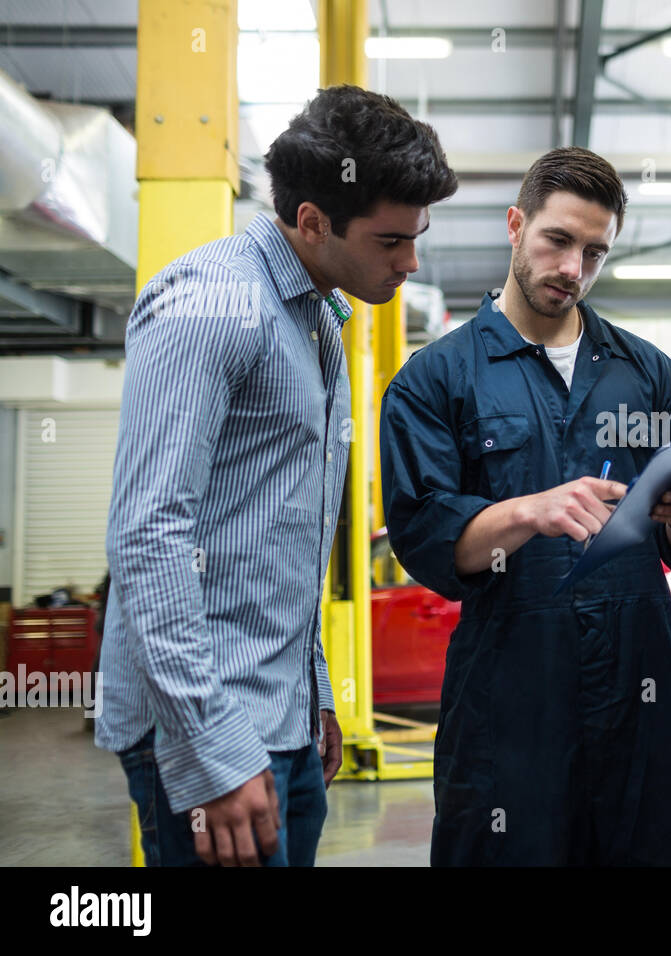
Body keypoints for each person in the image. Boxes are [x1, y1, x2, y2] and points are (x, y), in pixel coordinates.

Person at [97, 85, 458, 866]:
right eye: (392, 240)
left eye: (417, 236)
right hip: (207, 725)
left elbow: (274, 535)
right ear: (311, 221)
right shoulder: (213, 306)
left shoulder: (316, 317)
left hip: (279, 714)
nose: (411, 261)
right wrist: (211, 746)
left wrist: (314, 694)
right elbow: (147, 533)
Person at [381, 147, 671, 866]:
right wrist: (527, 512)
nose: (574, 268)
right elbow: (423, 537)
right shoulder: (437, 380)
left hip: (644, 691)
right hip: (513, 695)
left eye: (595, 252)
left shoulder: (647, 372)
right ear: (516, 226)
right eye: (558, 240)